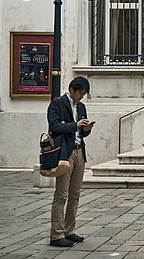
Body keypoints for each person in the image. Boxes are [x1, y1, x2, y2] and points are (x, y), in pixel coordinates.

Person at [47, 76, 93, 248]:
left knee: (75, 194)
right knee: (62, 194)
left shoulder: (81, 107)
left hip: (79, 151)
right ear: (72, 90)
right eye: (80, 93)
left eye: (84, 94)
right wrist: (75, 124)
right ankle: (56, 234)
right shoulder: (57, 104)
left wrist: (86, 129)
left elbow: (81, 132)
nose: (81, 97)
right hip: (64, 153)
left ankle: (69, 230)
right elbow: (54, 127)